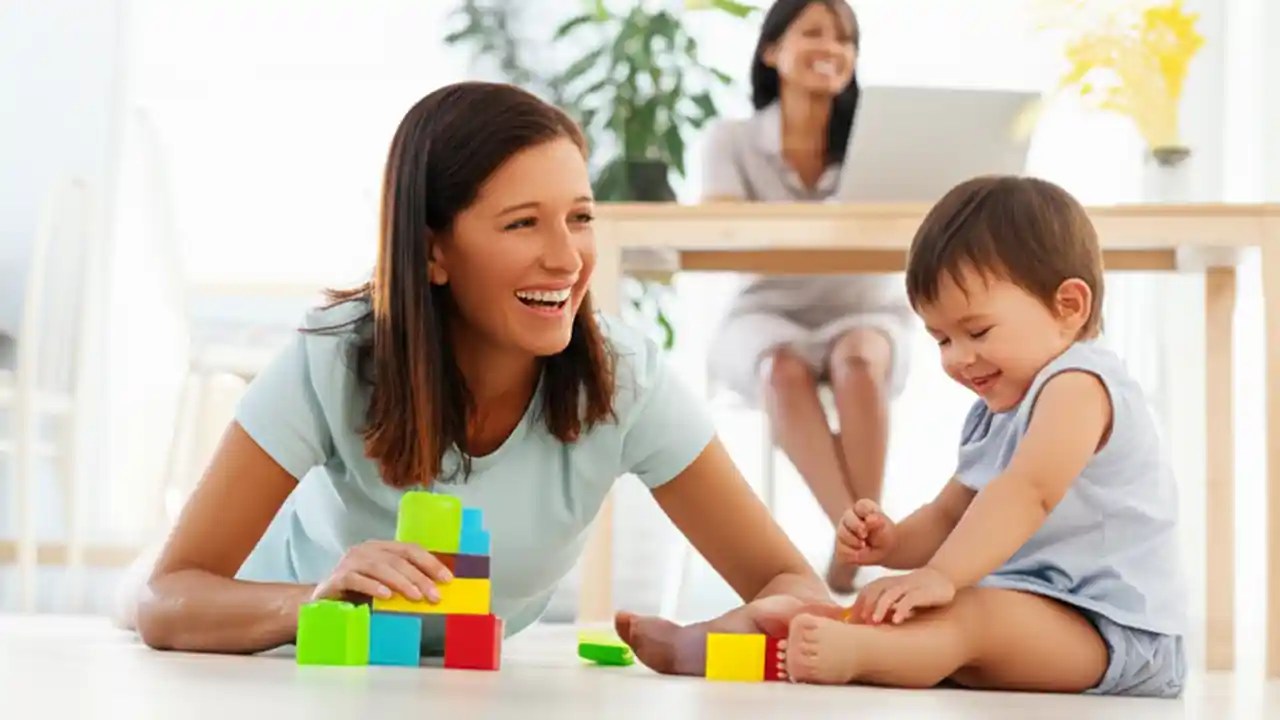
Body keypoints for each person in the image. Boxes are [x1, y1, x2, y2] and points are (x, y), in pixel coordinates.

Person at [127, 82, 830, 653]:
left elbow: (790, 581)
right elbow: (170, 596)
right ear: (434, 251)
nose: (566, 258)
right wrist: (310, 603)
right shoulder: (336, 358)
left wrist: (744, 625)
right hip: (265, 638)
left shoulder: (622, 377)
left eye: (579, 217)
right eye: (523, 223)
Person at [773, 176, 1186, 697]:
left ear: (1069, 307)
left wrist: (942, 574)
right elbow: (950, 515)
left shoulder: (1079, 386)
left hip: (1115, 633)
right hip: (1034, 610)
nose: (958, 358)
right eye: (941, 339)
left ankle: (867, 656)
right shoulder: (996, 412)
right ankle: (715, 641)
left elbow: (1027, 491)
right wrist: (894, 543)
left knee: (969, 613)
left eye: (978, 332)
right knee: (916, 606)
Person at [701, 0, 914, 593]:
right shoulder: (734, 141)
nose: (832, 47)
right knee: (782, 369)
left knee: (859, 360)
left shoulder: (879, 141)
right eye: (814, 32)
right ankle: (858, 537)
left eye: (845, 39)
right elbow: (718, 234)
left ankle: (850, 549)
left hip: (864, 307)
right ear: (771, 50)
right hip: (768, 310)